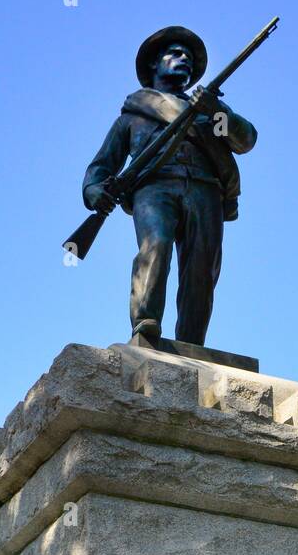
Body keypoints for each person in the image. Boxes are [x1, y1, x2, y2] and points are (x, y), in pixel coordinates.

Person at [82, 26, 258, 346]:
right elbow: (101, 166)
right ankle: (146, 323)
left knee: (202, 268)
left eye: (188, 57)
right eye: (175, 53)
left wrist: (216, 111)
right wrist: (95, 191)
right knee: (156, 245)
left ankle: (191, 343)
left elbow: (246, 139)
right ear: (154, 64)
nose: (184, 59)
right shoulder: (133, 116)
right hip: (155, 188)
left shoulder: (208, 110)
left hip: (206, 189)